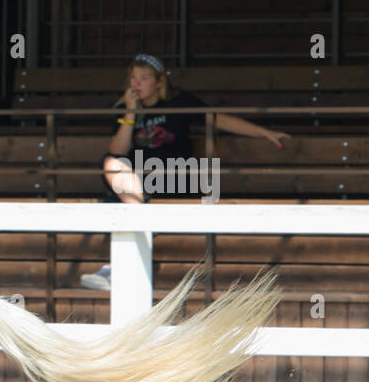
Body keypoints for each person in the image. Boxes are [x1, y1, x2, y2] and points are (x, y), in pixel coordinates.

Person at [81, 52, 291, 290]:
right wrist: (131, 113)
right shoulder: (124, 108)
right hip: (137, 183)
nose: (136, 84)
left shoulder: (179, 101)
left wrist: (265, 133)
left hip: (175, 176)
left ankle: (115, 267)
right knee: (111, 163)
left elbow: (217, 119)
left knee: (121, 196)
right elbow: (117, 150)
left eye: (144, 78)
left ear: (159, 82)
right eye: (133, 78)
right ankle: (130, 244)